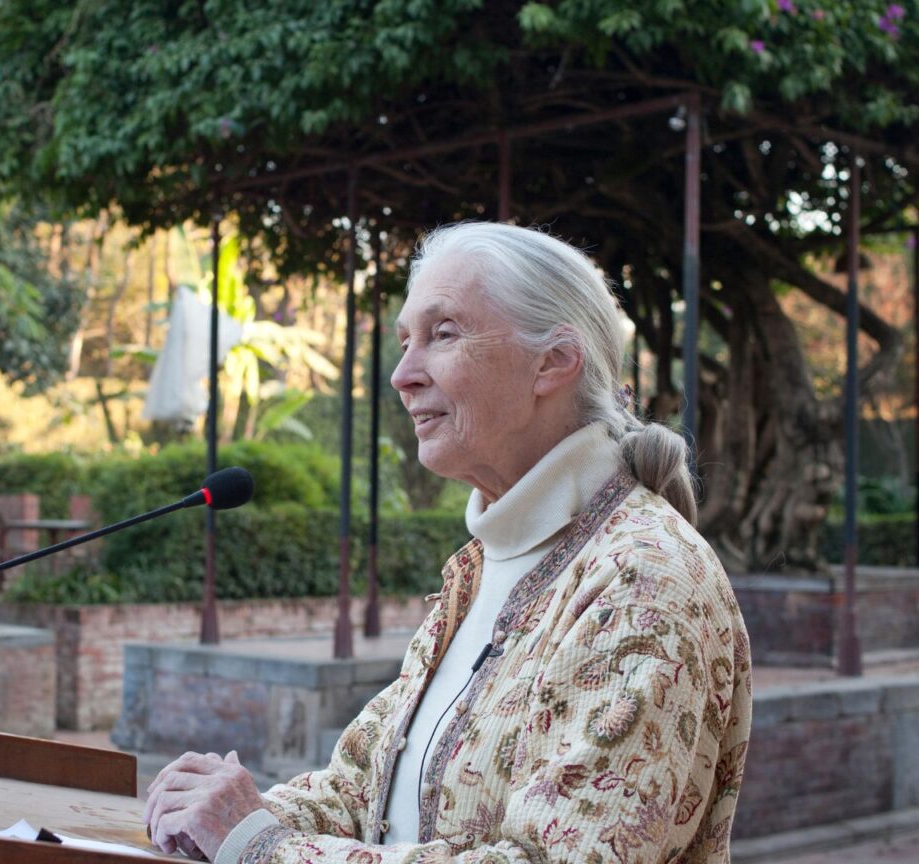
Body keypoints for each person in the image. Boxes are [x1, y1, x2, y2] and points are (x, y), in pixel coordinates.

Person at [143, 222, 752, 864]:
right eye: (406, 341)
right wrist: (225, 810)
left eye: (444, 333)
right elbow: (363, 794)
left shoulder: (642, 579)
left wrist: (261, 847)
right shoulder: (481, 569)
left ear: (553, 362)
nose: (402, 375)